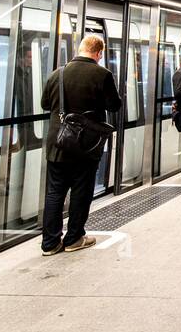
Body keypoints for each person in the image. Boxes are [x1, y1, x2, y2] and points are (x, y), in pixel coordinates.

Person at [40, 34, 121, 256]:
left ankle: (50, 243)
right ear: (99, 53)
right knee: (80, 191)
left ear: (80, 49)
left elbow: (45, 103)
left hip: (58, 143)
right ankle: (74, 237)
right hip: (86, 145)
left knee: (54, 192)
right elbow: (114, 106)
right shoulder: (102, 74)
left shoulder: (59, 72)